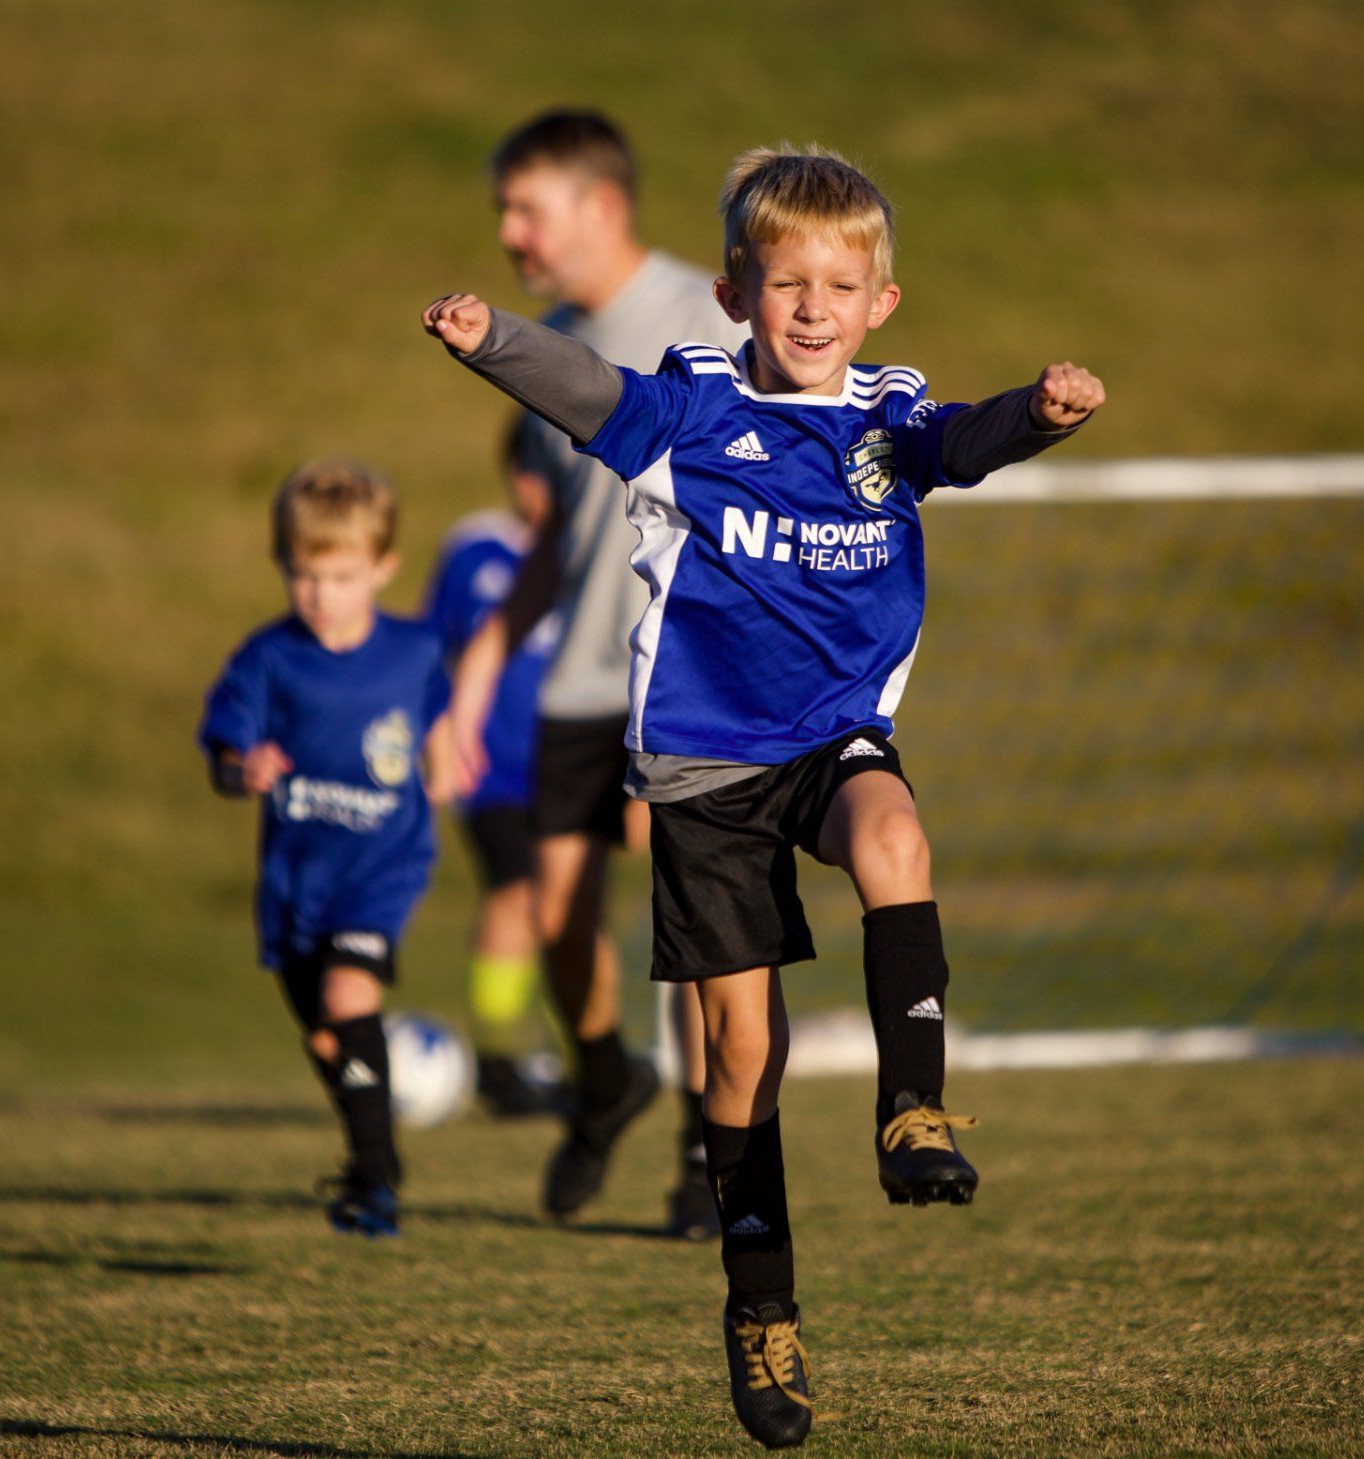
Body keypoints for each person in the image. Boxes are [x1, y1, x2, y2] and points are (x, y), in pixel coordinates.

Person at [424, 144, 1104, 1447]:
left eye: (839, 286)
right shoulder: (690, 413)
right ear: (736, 293)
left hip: (832, 736)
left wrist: (1040, 411)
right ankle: (762, 1308)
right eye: (784, 281)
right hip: (703, 767)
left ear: (880, 303)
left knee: (895, 829)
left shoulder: (887, 418)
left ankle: (914, 1106)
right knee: (743, 1054)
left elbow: (962, 441)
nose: (811, 307)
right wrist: (494, 338)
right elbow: (587, 391)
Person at [454, 110, 750, 1236]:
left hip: (684, 675)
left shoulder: (707, 315)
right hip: (578, 683)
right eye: (503, 209)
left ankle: (701, 1144)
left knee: (684, 916)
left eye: (526, 206)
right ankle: (604, 1079)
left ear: (602, 206)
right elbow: (559, 542)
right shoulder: (545, 346)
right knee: (559, 914)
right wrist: (483, 660)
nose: (509, 230)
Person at [199, 460, 454, 1239]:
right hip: (295, 881)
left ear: (381, 568)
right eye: (303, 574)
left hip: (382, 867)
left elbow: (438, 715)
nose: (319, 593)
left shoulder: (413, 651)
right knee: (325, 1034)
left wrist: (446, 762)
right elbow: (222, 752)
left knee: (350, 998)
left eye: (340, 575)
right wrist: (245, 769)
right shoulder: (266, 658)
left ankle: (377, 1181)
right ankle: (369, 1153)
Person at [420, 430, 567, 1116]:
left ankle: (570, 1054)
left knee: (568, 905)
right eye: (533, 474)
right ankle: (500, 1054)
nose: (541, 491)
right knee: (514, 891)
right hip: (491, 768)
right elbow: (431, 648)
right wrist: (440, 731)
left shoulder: (596, 545)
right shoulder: (475, 547)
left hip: (571, 763)